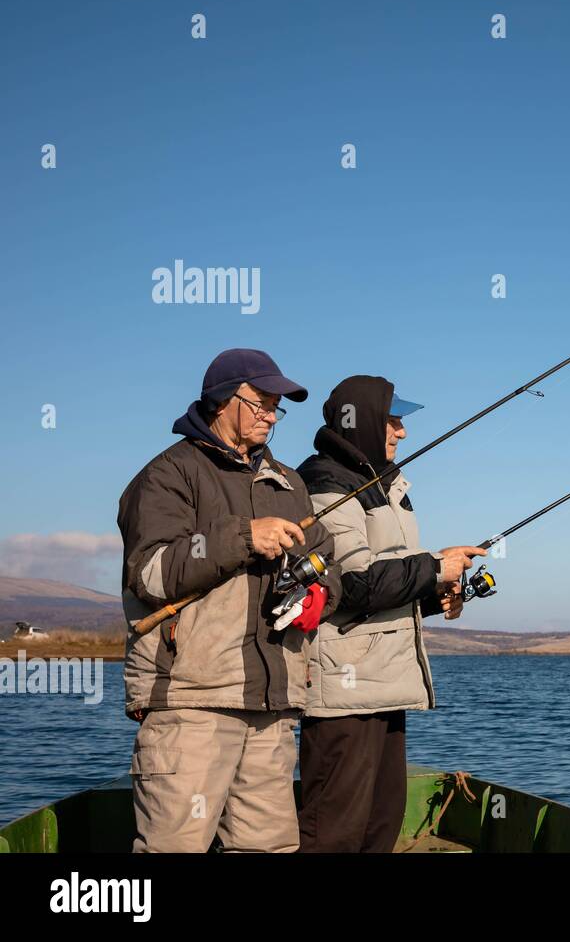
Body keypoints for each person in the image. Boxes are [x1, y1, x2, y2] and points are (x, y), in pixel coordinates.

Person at [118, 348, 340, 852]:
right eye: (261, 402)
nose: (270, 415)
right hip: (190, 701)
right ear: (223, 400)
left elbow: (330, 561)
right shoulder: (167, 475)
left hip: (273, 701)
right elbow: (150, 573)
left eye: (276, 406)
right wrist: (243, 537)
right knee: (173, 846)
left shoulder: (289, 482)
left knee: (268, 847)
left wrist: (318, 598)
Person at [295, 374, 485, 852]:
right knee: (333, 828)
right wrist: (435, 567)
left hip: (385, 680)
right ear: (361, 423)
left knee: (382, 821)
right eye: (394, 421)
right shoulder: (324, 484)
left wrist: (432, 594)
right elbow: (353, 582)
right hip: (344, 684)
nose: (402, 432)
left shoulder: (384, 484)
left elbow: (385, 582)